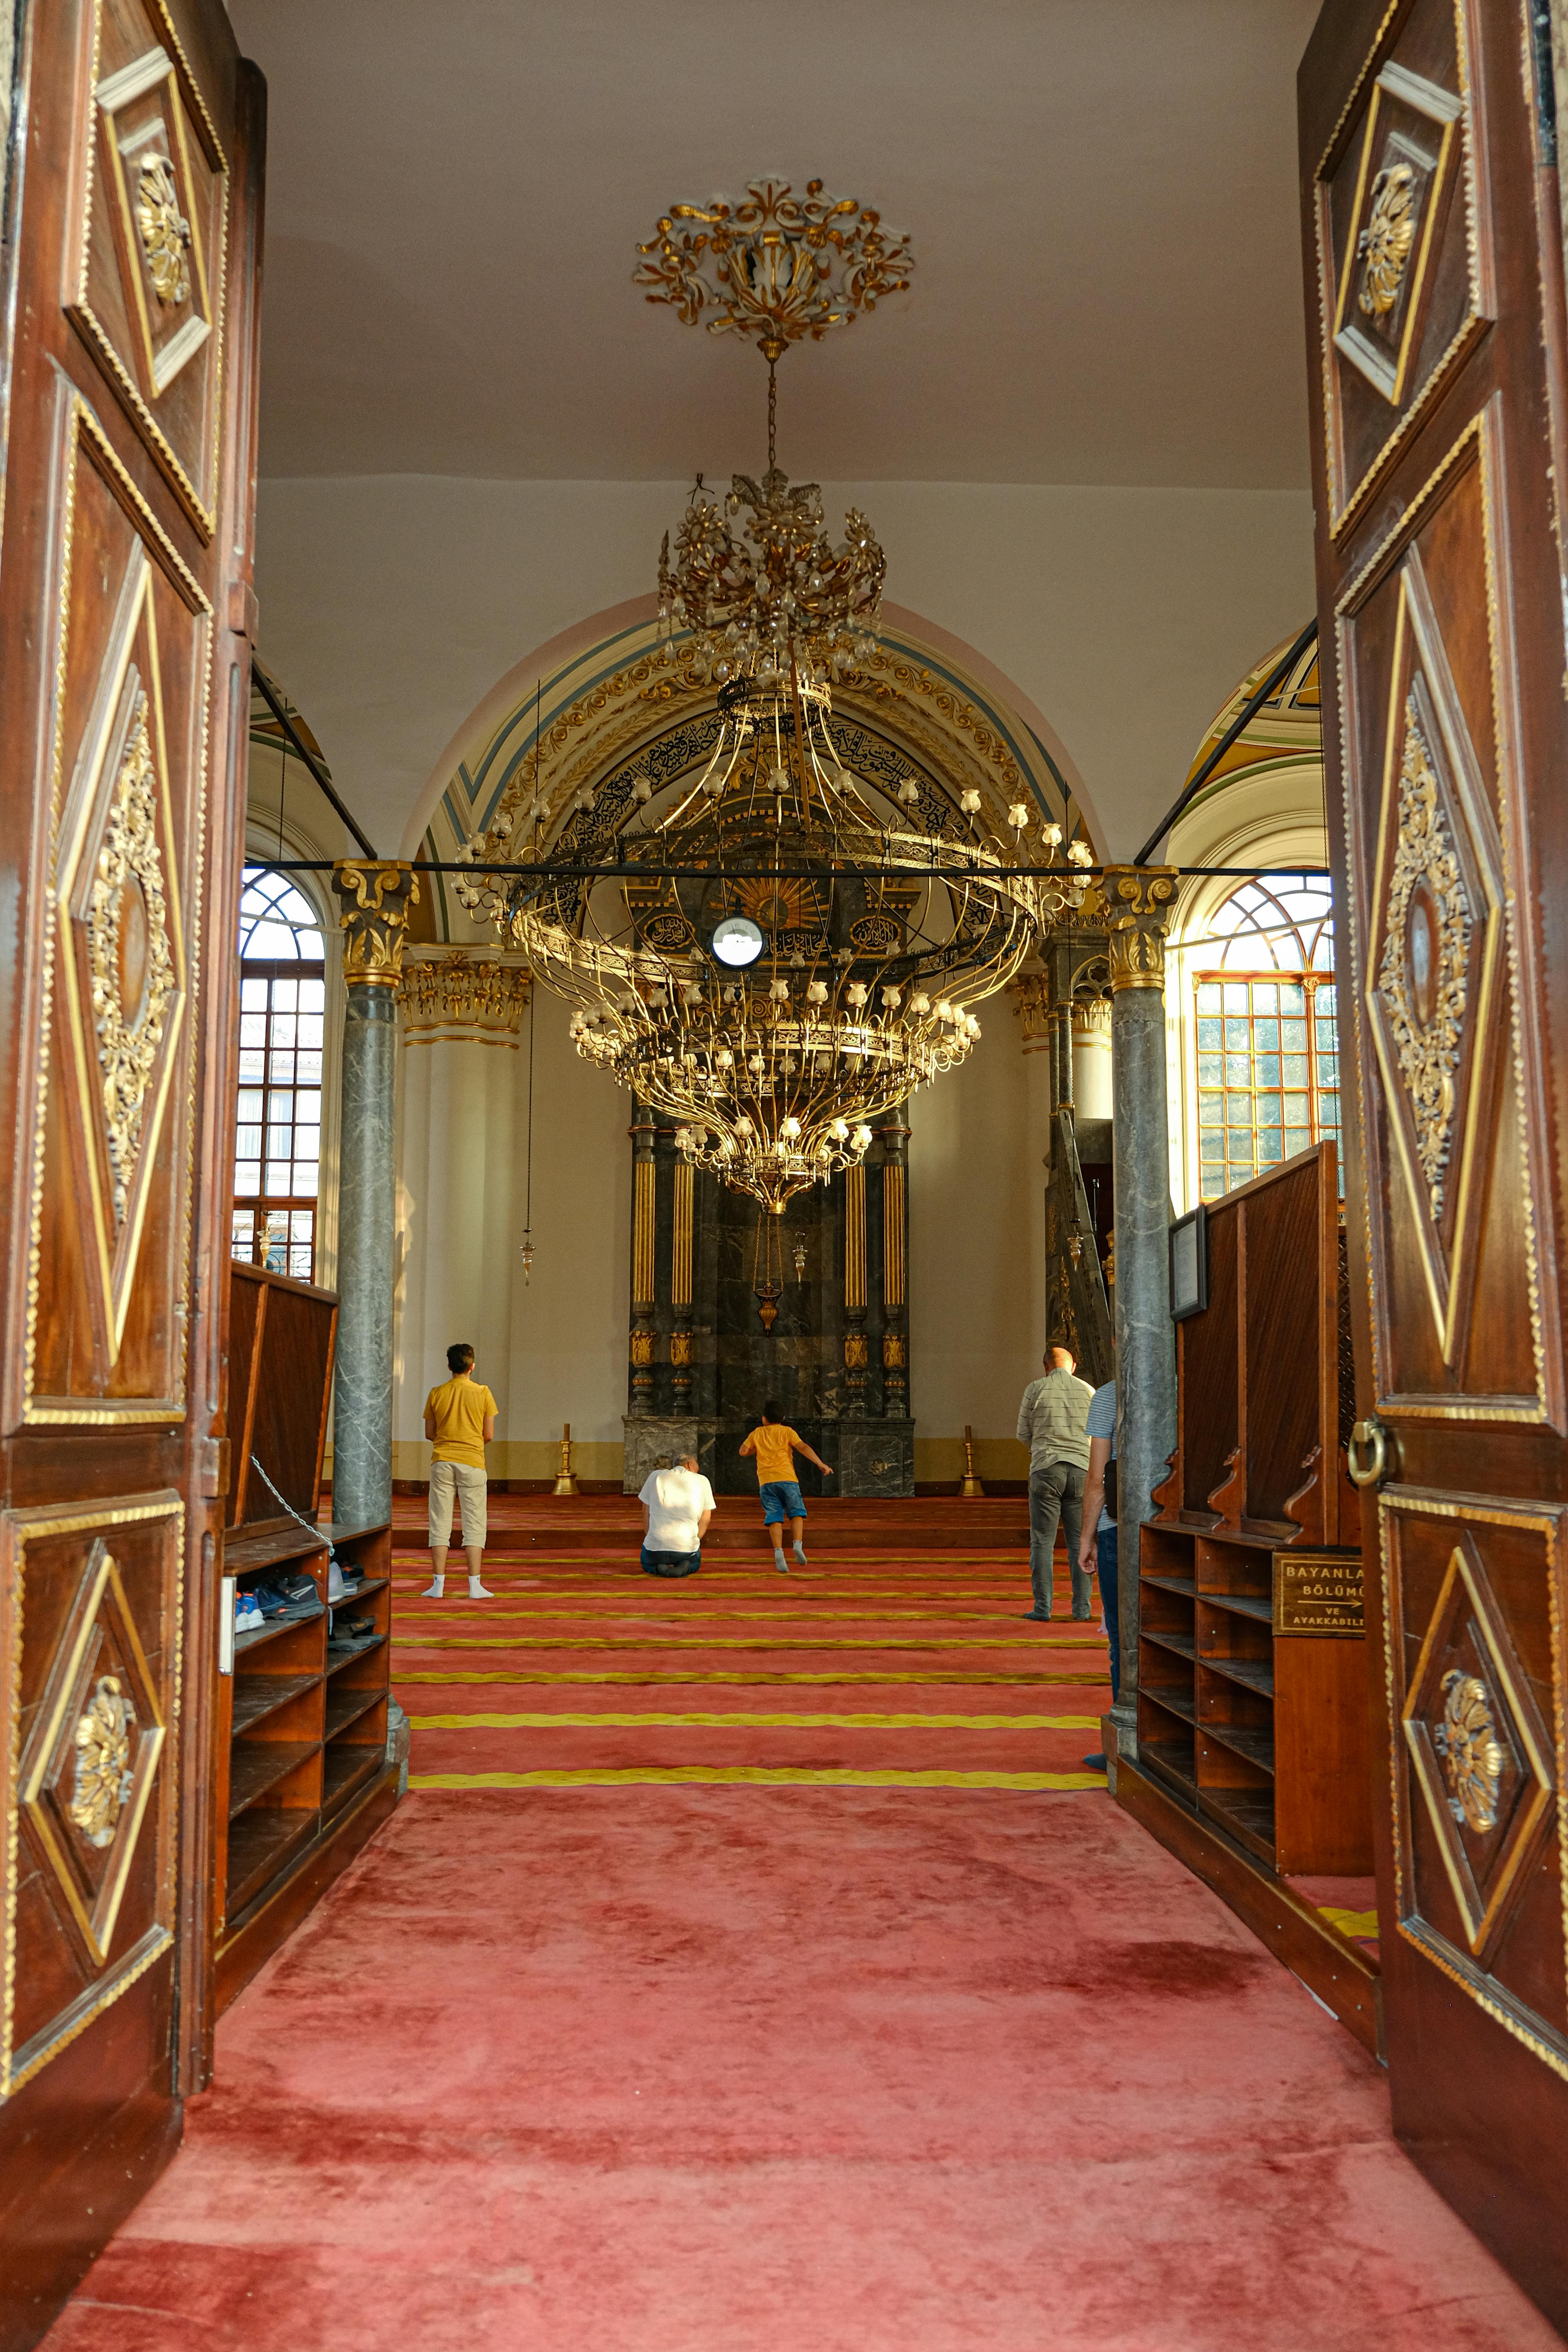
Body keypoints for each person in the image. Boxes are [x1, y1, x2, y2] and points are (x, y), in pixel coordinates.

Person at [1015, 1340, 1094, 1622]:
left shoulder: (1035, 1389)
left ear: (1046, 1366)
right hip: (1080, 1471)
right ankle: (1082, 1610)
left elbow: (1023, 1433)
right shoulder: (1087, 1390)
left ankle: (1042, 1608)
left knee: (1042, 1542)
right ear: (1072, 1367)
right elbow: (1095, 1435)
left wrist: (1040, 1450)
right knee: (1079, 1543)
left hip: (1046, 1469)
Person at [421, 1342, 498, 1599]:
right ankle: (475, 1586)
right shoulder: (483, 1393)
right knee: (475, 1524)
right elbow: (488, 1434)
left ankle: (438, 1585)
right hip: (473, 1462)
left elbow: (429, 1433)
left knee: (439, 1522)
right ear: (472, 1366)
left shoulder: (436, 1393)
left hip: (442, 1461)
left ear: (449, 1366)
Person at [738, 1400, 833, 1571]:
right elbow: (803, 1447)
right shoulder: (787, 1432)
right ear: (782, 1418)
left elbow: (743, 1451)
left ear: (764, 1419)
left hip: (767, 1482)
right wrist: (821, 1464)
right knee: (796, 1513)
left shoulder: (757, 1433)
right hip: (788, 1479)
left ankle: (779, 1553)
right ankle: (797, 1545)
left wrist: (758, 1450)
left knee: (774, 1517)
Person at [1077, 1377, 1118, 1769]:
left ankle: (1123, 1740)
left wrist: (1085, 1536)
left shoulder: (1109, 1393)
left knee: (1122, 1637)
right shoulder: (1184, 1382)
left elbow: (1098, 1477)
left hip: (1116, 1528)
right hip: (1173, 1522)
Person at [637, 1452, 715, 1577]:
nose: (698, 1472)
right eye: (697, 1468)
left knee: (647, 1563)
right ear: (690, 1464)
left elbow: (645, 1511)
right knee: (695, 1564)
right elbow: (706, 1518)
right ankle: (687, 1566)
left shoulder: (655, 1476)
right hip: (687, 1549)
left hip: (656, 1549)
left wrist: (650, 1537)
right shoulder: (703, 1481)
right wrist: (694, 1540)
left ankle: (658, 1568)